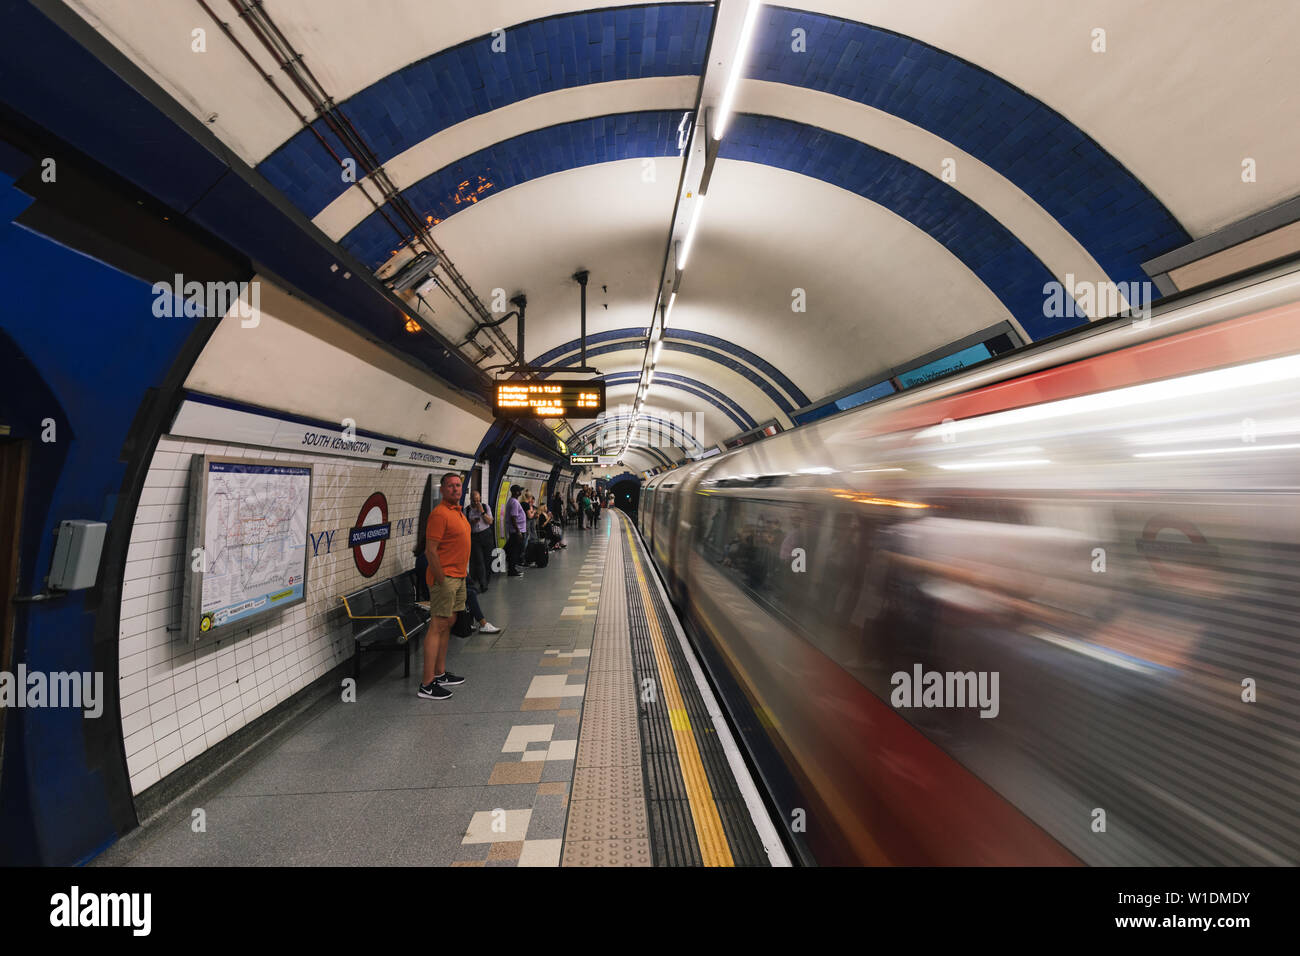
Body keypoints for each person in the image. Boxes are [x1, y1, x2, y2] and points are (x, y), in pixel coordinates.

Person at [420, 472, 470, 700]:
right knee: (438, 625)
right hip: (446, 578)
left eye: (458, 485)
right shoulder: (439, 514)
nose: (455, 489)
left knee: (449, 622)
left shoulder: (458, 512)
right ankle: (427, 684)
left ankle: (440, 672)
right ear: (442, 490)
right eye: (450, 486)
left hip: (458, 577)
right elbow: (431, 550)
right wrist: (441, 579)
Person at [463, 490, 493, 593]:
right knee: (479, 561)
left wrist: (482, 512)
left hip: (486, 534)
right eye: (474, 501)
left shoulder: (485, 507)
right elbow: (463, 526)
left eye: (478, 500)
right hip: (474, 537)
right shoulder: (466, 510)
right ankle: (482, 584)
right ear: (470, 499)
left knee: (487, 560)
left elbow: (490, 521)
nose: (476, 503)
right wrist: (470, 522)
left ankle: (486, 580)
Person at [504, 484, 527, 576]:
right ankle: (512, 570)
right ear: (516, 492)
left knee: (512, 549)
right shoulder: (514, 502)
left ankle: (511, 567)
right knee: (515, 550)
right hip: (517, 531)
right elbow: (513, 517)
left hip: (516, 531)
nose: (521, 492)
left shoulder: (512, 501)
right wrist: (518, 531)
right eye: (520, 491)